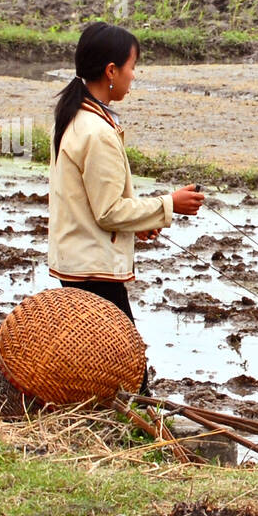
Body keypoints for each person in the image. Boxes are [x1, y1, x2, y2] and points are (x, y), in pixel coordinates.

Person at [48, 21, 205, 389]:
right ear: (111, 71)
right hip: (96, 273)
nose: (134, 76)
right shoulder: (98, 132)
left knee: (93, 368)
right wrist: (170, 204)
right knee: (131, 373)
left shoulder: (77, 117)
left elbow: (94, 204)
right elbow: (109, 212)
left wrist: (142, 220)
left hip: (78, 264)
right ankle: (146, 439)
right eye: (133, 67)